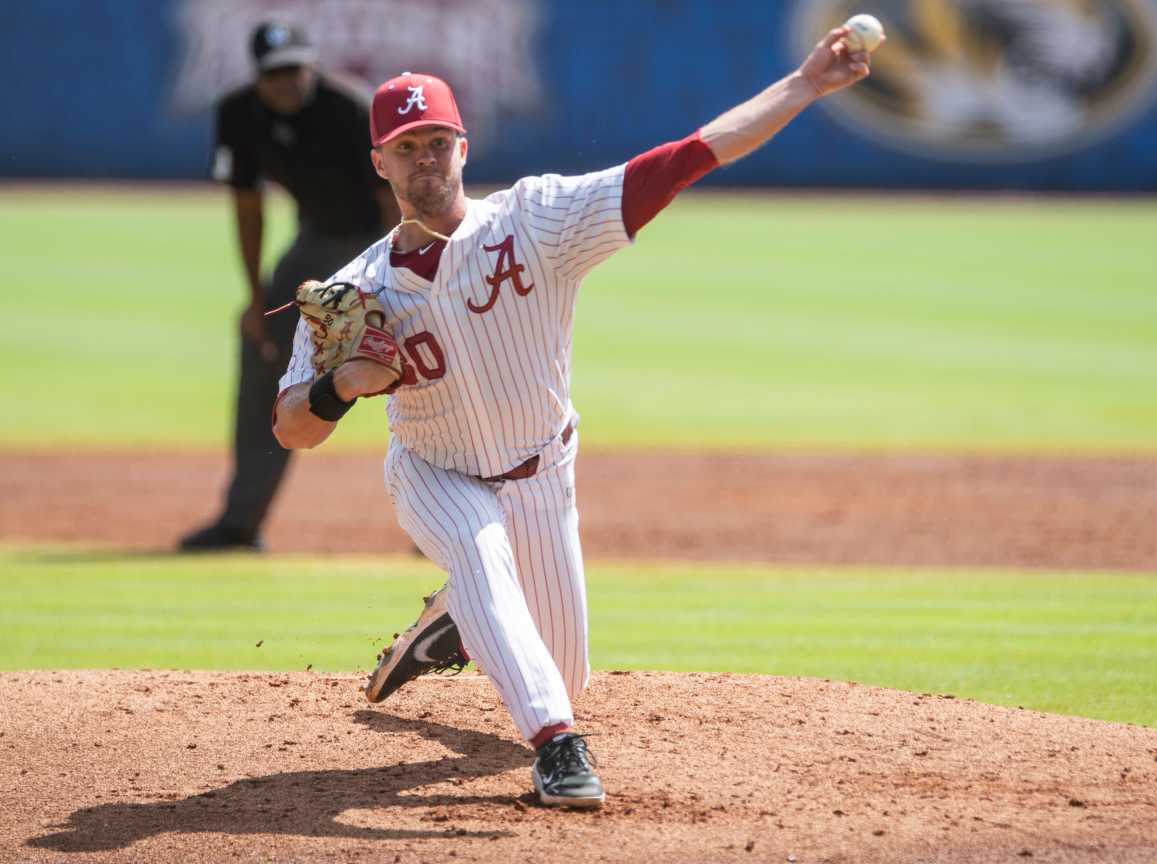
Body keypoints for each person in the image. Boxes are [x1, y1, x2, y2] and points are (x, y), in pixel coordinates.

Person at [274, 26, 879, 807]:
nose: (424, 157)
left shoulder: (539, 221)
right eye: (405, 145)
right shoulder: (358, 292)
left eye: (436, 141)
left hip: (543, 470)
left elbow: (690, 156)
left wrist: (804, 85)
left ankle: (455, 621)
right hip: (434, 471)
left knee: (563, 668)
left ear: (464, 145)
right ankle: (559, 747)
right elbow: (293, 427)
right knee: (483, 556)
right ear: (379, 162)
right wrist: (342, 387)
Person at [179, 21, 400, 551]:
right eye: (274, 73)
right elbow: (248, 204)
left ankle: (449, 521)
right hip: (314, 239)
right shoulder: (238, 113)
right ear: (256, 77)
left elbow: (393, 201)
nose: (286, 81)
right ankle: (240, 521)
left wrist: (404, 281)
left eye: (294, 69)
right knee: (262, 350)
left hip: (376, 237)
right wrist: (257, 300)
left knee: (421, 362)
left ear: (311, 64)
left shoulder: (349, 107)